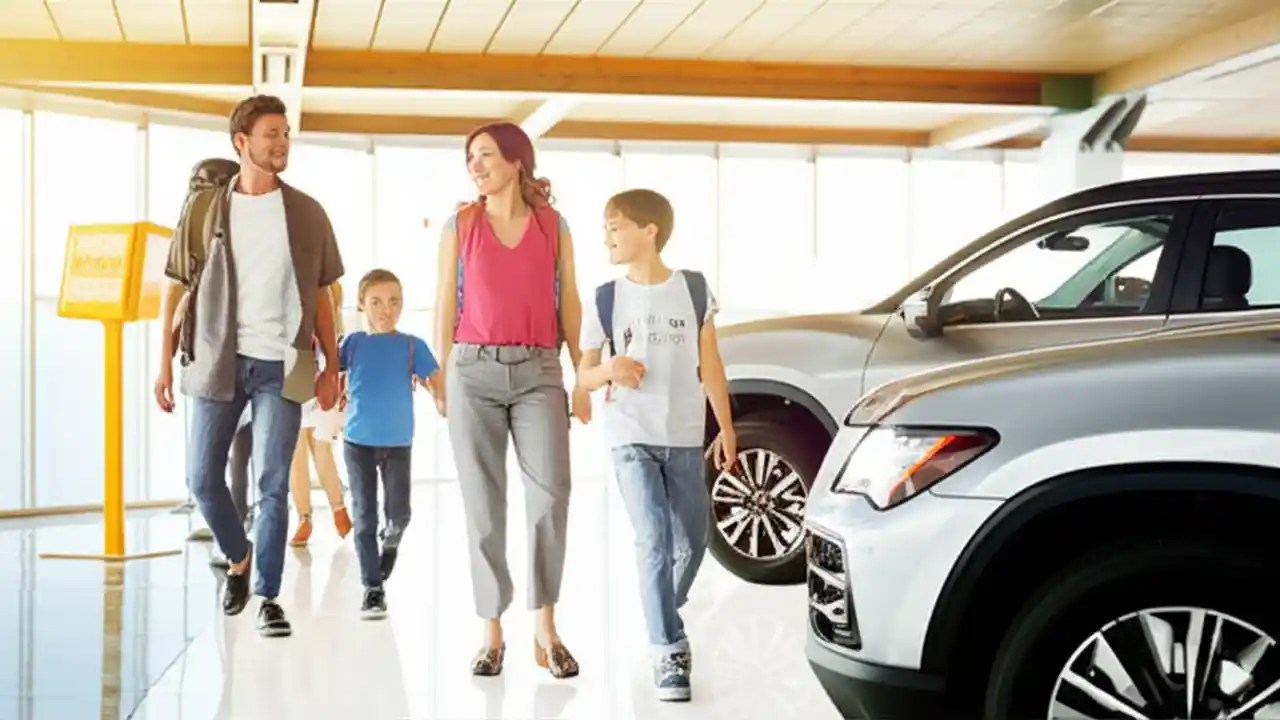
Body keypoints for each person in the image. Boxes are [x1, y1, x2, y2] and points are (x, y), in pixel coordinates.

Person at [154, 94, 345, 638]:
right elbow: (176, 287)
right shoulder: (204, 209)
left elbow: (323, 294)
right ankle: (239, 557)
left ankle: (268, 597)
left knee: (273, 482)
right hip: (216, 358)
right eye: (271, 134)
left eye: (286, 134)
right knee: (201, 478)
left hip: (287, 362)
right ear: (242, 141)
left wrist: (331, 366)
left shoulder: (308, 212)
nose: (282, 143)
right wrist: (163, 362)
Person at [435, 122, 589, 679]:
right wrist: (441, 375)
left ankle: (546, 627)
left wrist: (582, 373)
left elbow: (569, 301)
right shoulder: (460, 224)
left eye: (486, 155)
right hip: (471, 371)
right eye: (470, 157)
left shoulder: (553, 226)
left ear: (516, 161)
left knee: (551, 495)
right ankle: (491, 631)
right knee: (483, 502)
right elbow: (443, 304)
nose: (475, 165)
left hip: (539, 370)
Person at [577, 189, 737, 702]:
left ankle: (660, 607)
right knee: (653, 539)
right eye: (605, 229)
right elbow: (583, 376)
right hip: (630, 435)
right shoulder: (604, 297)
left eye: (615, 227)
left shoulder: (694, 289)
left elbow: (711, 364)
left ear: (649, 231)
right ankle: (668, 650)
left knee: (694, 541)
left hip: (685, 435)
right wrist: (612, 368)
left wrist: (726, 428)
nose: (607, 238)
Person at [340, 269, 440, 619]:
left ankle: (392, 540)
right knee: (364, 516)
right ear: (361, 304)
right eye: (377, 302)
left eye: (394, 302)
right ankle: (372, 588)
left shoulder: (413, 345)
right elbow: (327, 373)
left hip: (397, 443)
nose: (387, 310)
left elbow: (436, 382)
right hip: (357, 442)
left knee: (400, 514)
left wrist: (443, 399)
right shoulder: (352, 344)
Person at [290, 281, 352, 547]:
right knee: (309, 450)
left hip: (315, 380)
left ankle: (313, 515)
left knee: (308, 450)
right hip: (307, 378)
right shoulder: (327, 296)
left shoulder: (323, 291)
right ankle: (328, 511)